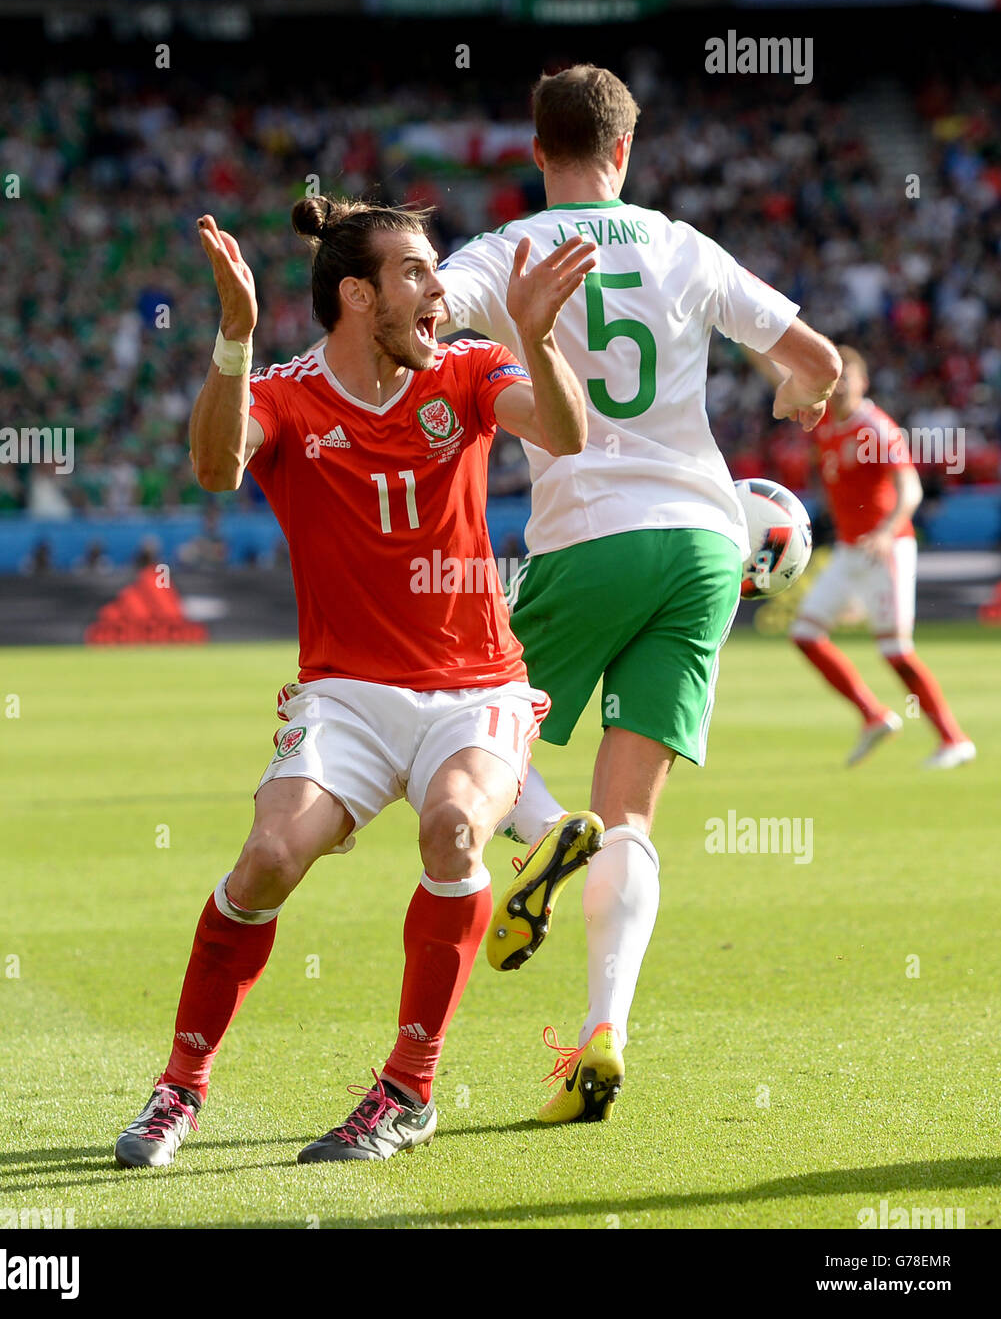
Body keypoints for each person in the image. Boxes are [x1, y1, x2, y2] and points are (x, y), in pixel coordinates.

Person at [114, 197, 602, 1167]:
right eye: (417, 273)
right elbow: (215, 468)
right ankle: (180, 1088)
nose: (439, 290)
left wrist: (539, 338)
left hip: (475, 686)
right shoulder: (290, 395)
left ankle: (406, 1091)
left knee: (454, 825)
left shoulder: (467, 368)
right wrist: (235, 339)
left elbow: (563, 429)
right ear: (356, 294)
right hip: (345, 691)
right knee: (264, 861)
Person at [437, 63, 841, 1123]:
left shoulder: (504, 250)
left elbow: (415, 319)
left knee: (456, 726)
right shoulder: (680, 243)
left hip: (586, 530)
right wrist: (800, 399)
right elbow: (814, 360)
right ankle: (597, 1036)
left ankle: (534, 843)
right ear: (627, 148)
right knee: (631, 818)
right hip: (706, 541)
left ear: (537, 152)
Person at [772, 345, 973, 768]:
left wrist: (884, 532)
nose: (840, 385)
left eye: (849, 377)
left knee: (896, 651)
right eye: (836, 376)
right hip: (848, 550)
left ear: (864, 382)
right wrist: (739, 330)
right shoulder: (824, 421)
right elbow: (779, 376)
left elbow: (911, 488)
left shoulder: (876, 428)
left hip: (888, 548)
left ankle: (954, 739)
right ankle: (873, 715)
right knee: (805, 635)